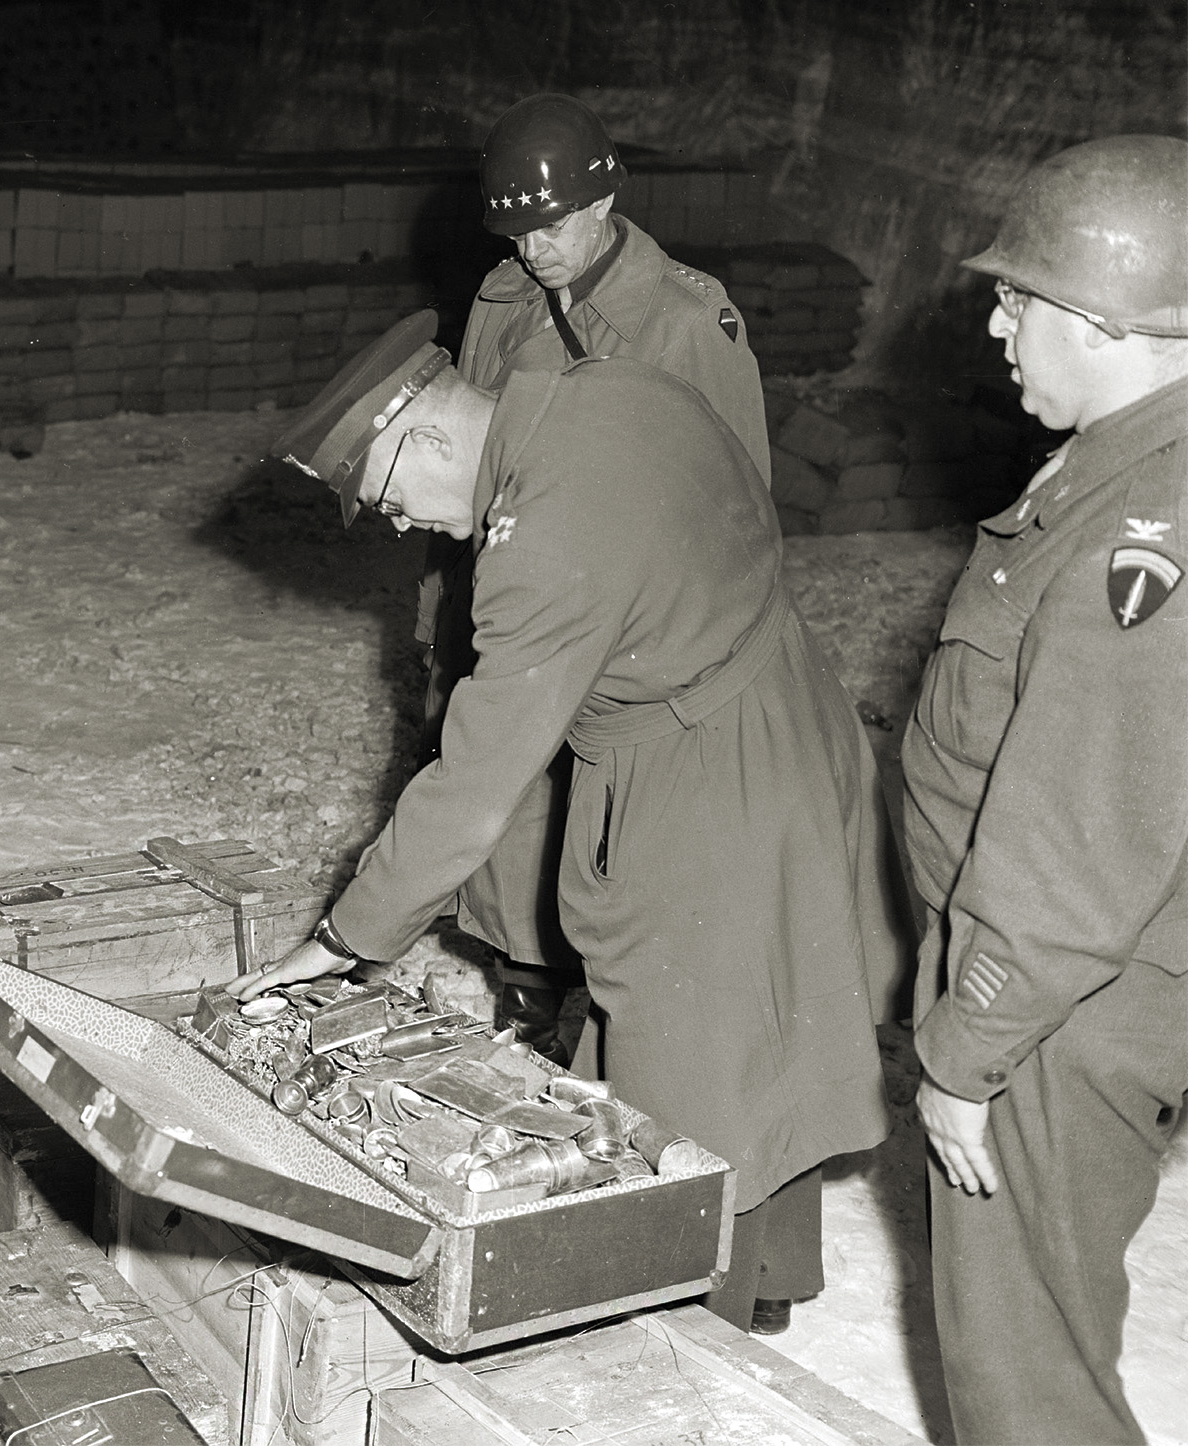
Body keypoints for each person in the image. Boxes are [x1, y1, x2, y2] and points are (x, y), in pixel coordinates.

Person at [231, 312, 897, 1336]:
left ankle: (681, 1335)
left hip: (702, 778)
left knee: (683, 1076)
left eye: (390, 501)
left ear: (426, 435)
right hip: (784, 704)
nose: (408, 529)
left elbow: (477, 777)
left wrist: (346, 937)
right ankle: (765, 1276)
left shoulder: (538, 545)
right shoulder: (609, 388)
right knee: (772, 1017)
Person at [903, 134, 1187, 1445]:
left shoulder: (1148, 534)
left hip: (1057, 1015)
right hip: (1074, 990)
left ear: (1100, 319)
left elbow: (1074, 838)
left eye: (1020, 298)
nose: (996, 319)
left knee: (1026, 1377)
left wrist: (966, 1053)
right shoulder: (1118, 464)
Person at [418, 94, 772, 1060]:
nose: (537, 249)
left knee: (618, 824)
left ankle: (610, 1015)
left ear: (606, 200)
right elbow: (468, 450)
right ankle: (529, 1000)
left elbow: (740, 504)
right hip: (521, 588)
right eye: (518, 230)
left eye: (556, 225)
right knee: (519, 806)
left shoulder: (689, 321)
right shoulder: (504, 299)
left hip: (636, 626)